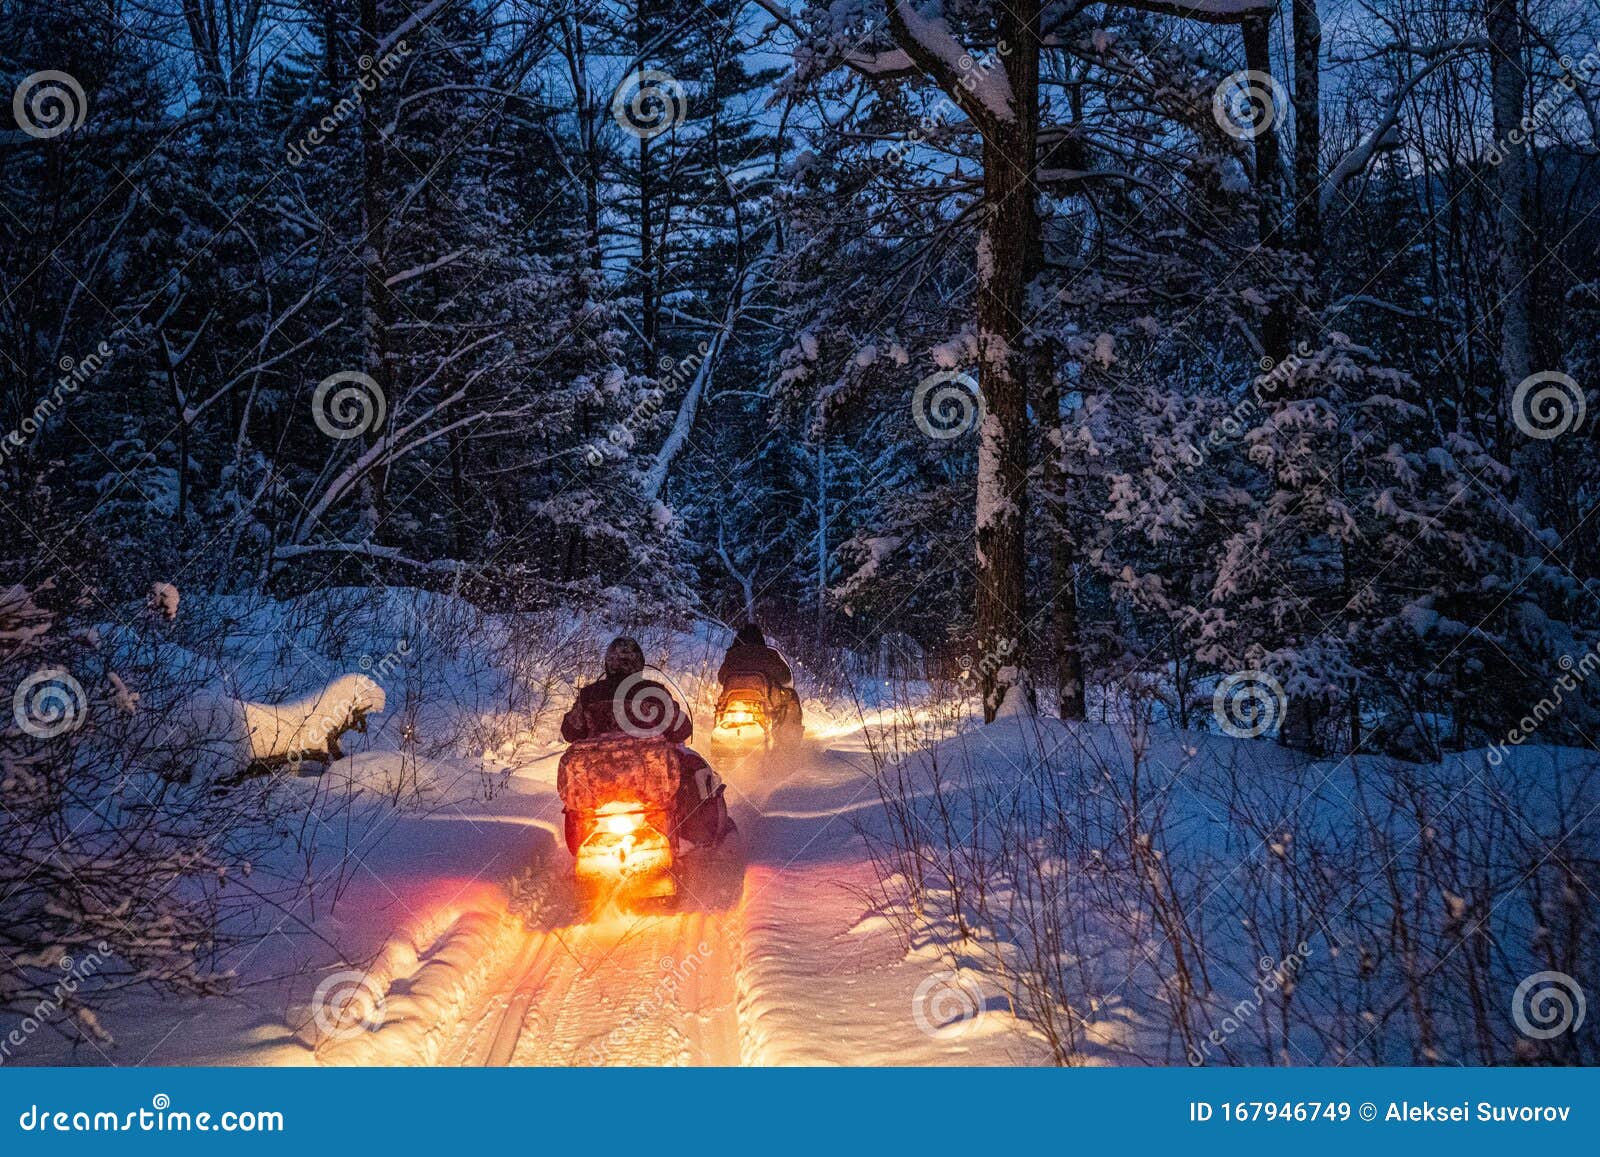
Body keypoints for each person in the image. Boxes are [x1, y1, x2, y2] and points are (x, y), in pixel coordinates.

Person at [559, 636, 731, 852]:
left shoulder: (588, 696)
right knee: (693, 769)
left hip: (597, 790)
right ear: (639, 664)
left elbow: (570, 732)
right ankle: (701, 838)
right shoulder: (653, 693)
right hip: (651, 789)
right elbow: (682, 729)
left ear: (608, 665)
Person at [716, 624, 801, 737]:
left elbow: (721, 678)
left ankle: (719, 727)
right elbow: (786, 677)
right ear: (760, 639)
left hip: (732, 700)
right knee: (791, 695)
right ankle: (791, 737)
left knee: (720, 706)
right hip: (764, 700)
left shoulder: (732, 655)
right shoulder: (769, 654)